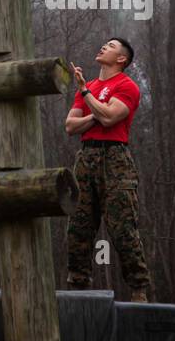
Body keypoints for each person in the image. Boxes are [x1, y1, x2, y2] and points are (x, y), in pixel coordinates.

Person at [65, 36, 151, 302]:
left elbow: (111, 116)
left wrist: (88, 99)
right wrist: (94, 109)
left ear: (121, 59)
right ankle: (78, 291)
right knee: (79, 226)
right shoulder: (88, 86)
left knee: (122, 228)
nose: (103, 46)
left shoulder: (127, 86)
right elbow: (70, 126)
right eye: (104, 44)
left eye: (111, 46)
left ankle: (138, 291)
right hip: (86, 157)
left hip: (115, 158)